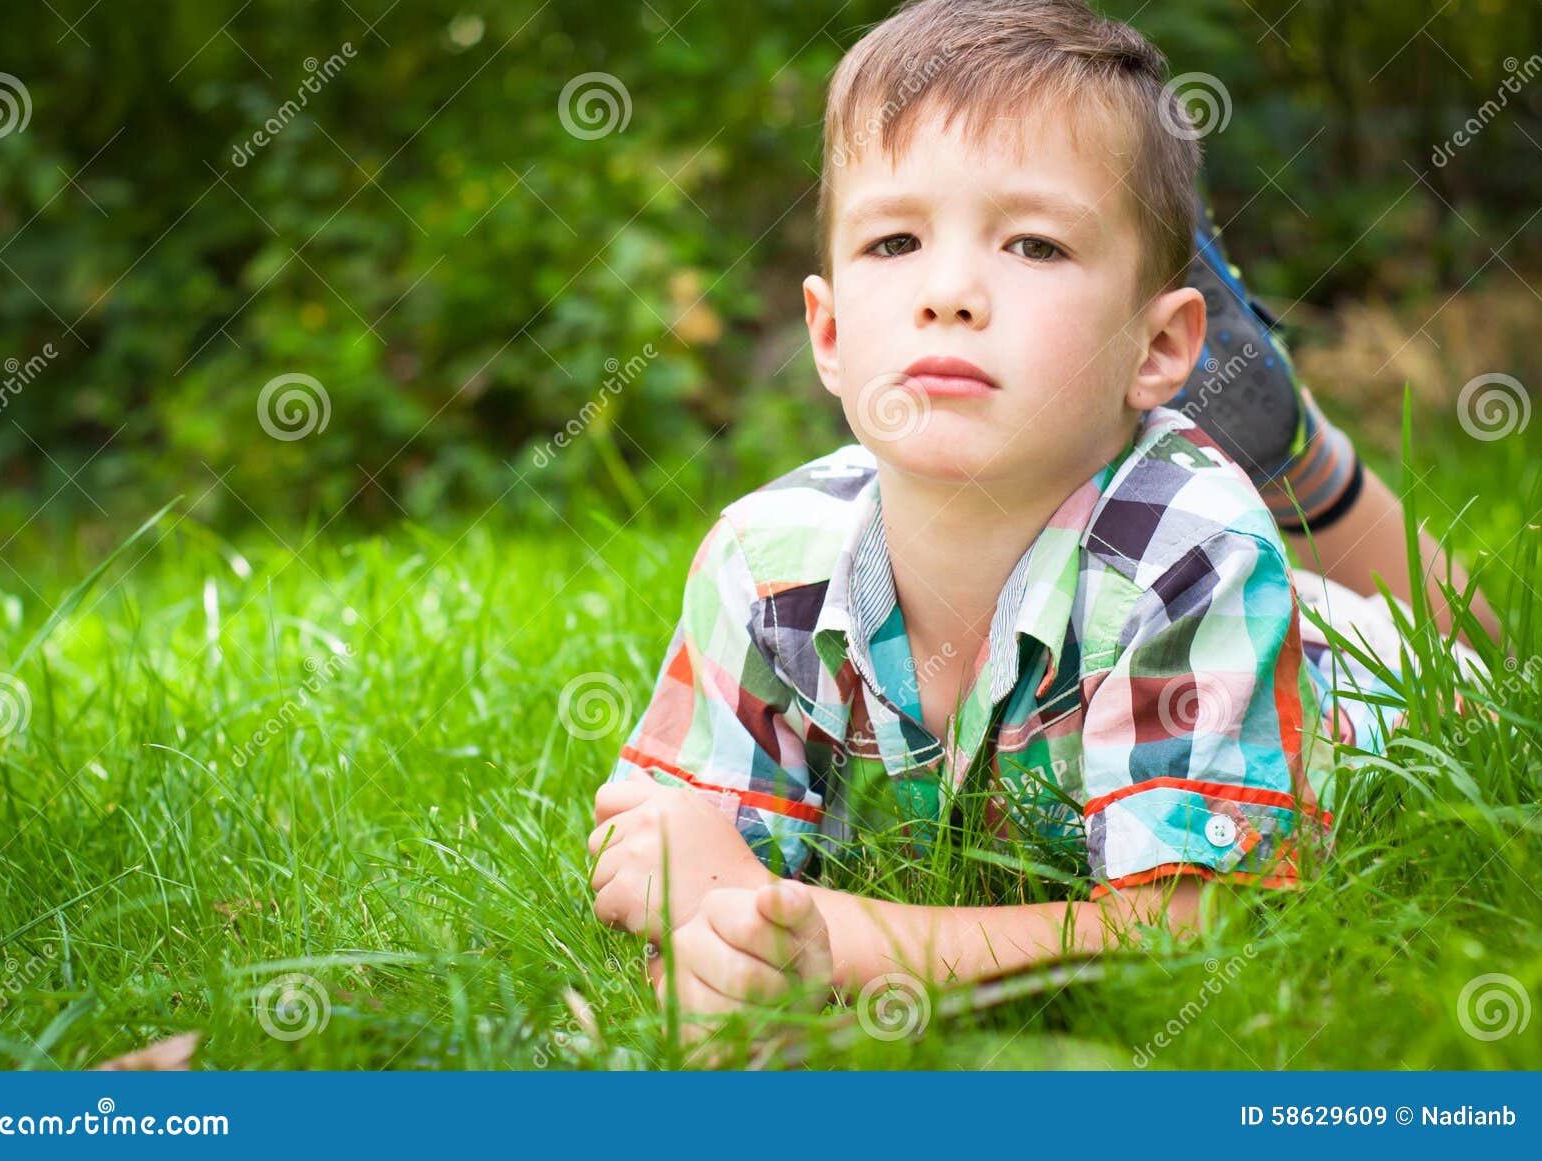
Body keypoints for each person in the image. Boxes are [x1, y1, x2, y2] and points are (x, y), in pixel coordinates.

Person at [585, 0, 1493, 1051]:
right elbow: (689, 871)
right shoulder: (765, 560)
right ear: (828, 335)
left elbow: (1197, 927)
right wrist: (712, 950)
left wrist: (843, 938)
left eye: (1033, 244)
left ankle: (1295, 455)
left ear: (1159, 346)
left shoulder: (1195, 552)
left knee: (1492, 672)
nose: (951, 291)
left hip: (1341, 671)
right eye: (893, 240)